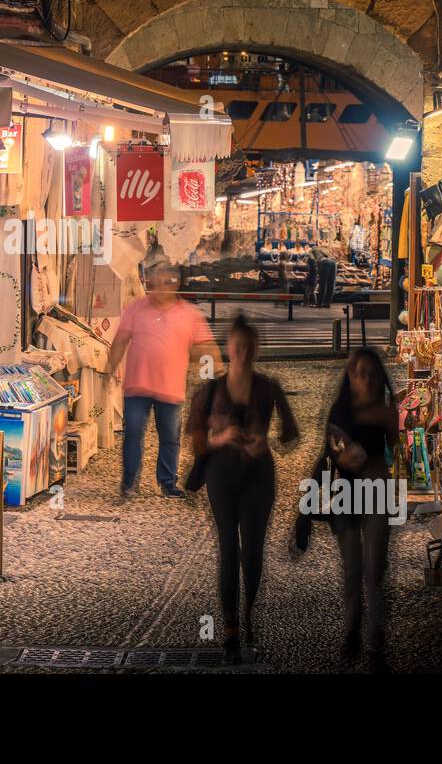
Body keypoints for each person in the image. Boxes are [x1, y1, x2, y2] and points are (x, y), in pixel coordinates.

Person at [186, 314, 299, 663]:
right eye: (238, 348)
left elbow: (290, 433)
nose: (244, 354)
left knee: (252, 549)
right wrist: (221, 436)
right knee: (228, 549)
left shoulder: (268, 387)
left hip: (258, 475)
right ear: (229, 349)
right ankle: (231, 625)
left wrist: (266, 442)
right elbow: (195, 436)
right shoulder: (211, 390)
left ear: (256, 350)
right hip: (221, 474)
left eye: (250, 348)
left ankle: (249, 609)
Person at [106, 262, 220, 498]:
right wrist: (109, 369)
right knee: (133, 434)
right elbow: (120, 340)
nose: (160, 288)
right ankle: (129, 483)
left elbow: (206, 347)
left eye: (166, 282)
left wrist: (214, 374)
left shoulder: (190, 314)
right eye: (156, 283)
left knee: (170, 437)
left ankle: (167, 482)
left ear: (176, 284)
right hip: (137, 385)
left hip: (171, 388)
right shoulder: (135, 309)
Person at [324, 348, 398, 670]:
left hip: (378, 490)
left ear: (379, 377)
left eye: (370, 373)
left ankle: (376, 636)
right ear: (350, 377)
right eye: (359, 372)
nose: (365, 379)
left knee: (375, 568)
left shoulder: (386, 412)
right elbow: (334, 452)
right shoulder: (339, 413)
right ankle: (351, 631)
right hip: (346, 493)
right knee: (353, 568)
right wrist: (347, 457)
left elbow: (395, 450)